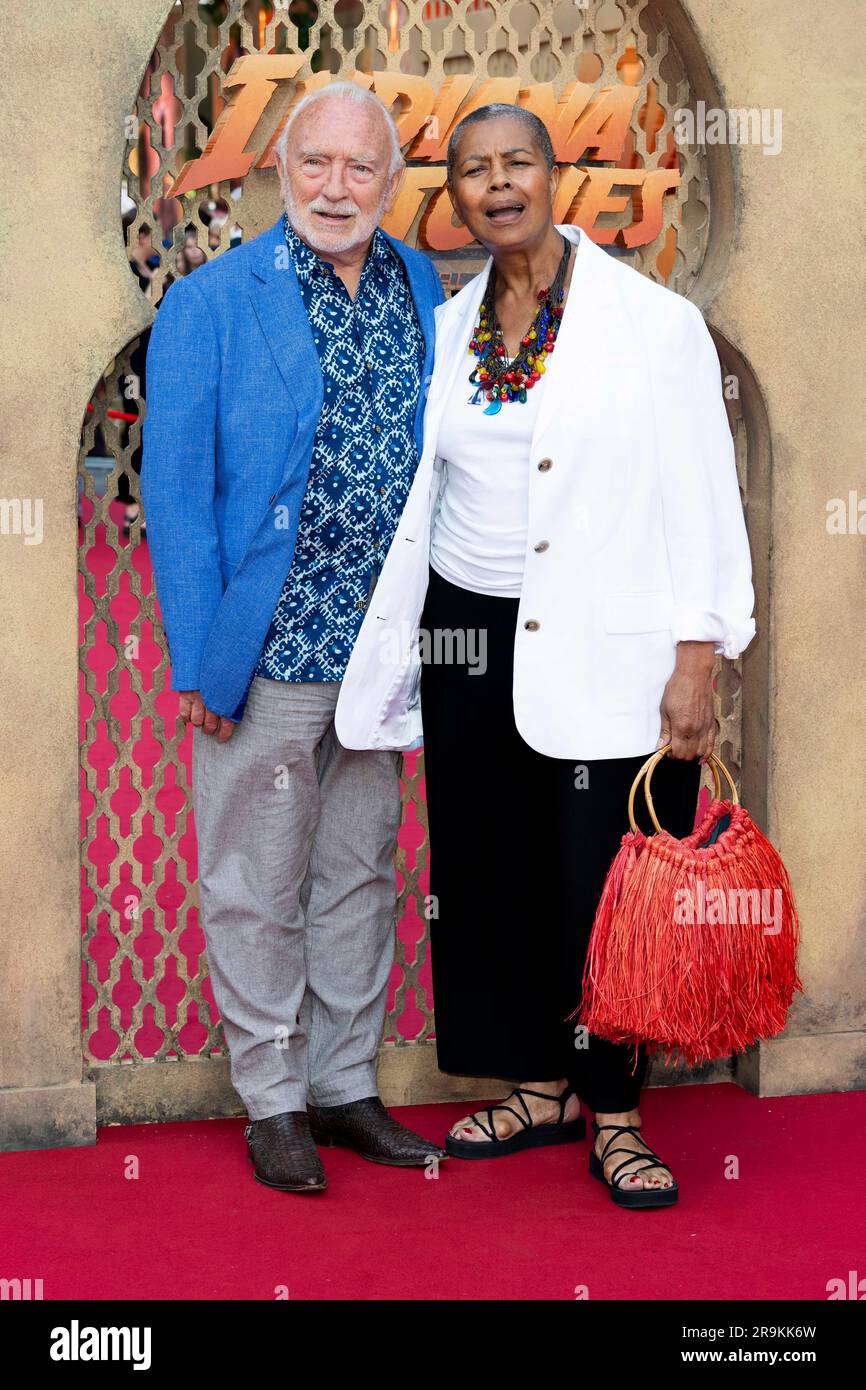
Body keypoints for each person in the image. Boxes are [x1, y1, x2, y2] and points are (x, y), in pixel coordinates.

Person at [334, 102, 755, 1210]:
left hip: (602, 643)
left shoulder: (651, 325)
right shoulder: (452, 325)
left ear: (554, 172)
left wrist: (697, 654)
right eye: (474, 170)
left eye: (516, 161)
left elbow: (704, 500)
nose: (497, 183)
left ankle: (612, 1112)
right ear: (455, 197)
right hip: (465, 639)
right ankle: (536, 1085)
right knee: (486, 870)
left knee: (593, 883)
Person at [141, 83, 447, 1193]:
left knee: (360, 869)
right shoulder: (212, 302)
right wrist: (197, 660)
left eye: (360, 168)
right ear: (281, 169)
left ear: (390, 182)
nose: (336, 187)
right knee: (251, 876)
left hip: (382, 652)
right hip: (265, 647)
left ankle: (344, 1084)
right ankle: (272, 1100)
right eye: (315, 164)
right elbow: (173, 490)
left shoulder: (418, 281)